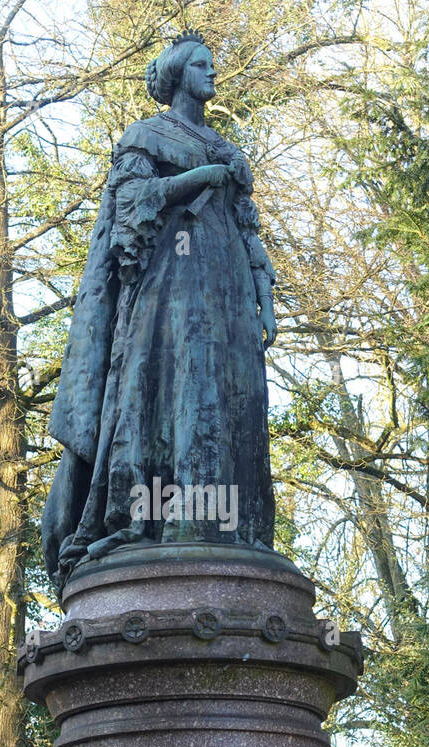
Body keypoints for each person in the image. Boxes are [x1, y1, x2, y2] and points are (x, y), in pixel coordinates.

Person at [42, 30, 277, 595]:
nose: (212, 73)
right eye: (202, 64)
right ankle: (154, 518)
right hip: (166, 293)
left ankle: (222, 523)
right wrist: (197, 180)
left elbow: (249, 232)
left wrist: (264, 297)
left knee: (227, 396)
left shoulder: (226, 148)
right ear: (179, 75)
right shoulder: (145, 137)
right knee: (169, 390)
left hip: (225, 294)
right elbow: (132, 204)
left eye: (212, 63)